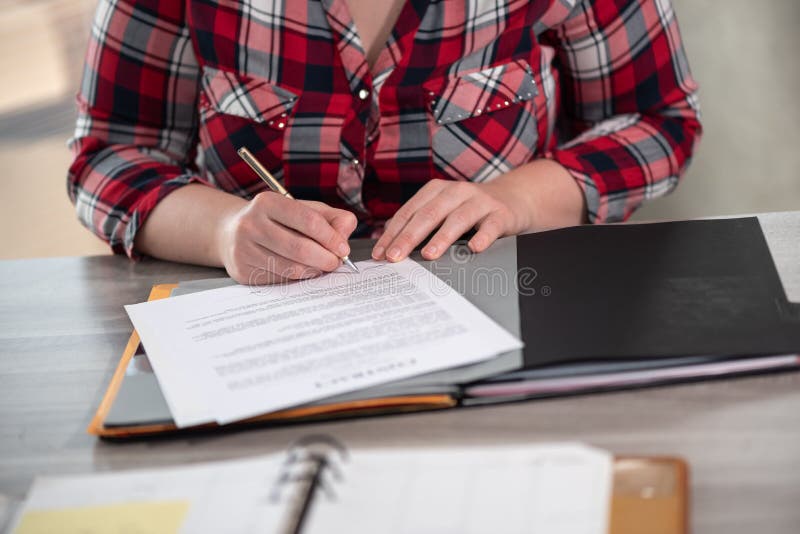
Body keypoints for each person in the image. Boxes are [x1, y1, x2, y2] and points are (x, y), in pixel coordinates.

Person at [68, 0, 701, 285]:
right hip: (253, 334)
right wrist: (224, 231)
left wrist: (520, 200)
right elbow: (111, 154)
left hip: (513, 309)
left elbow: (658, 120)